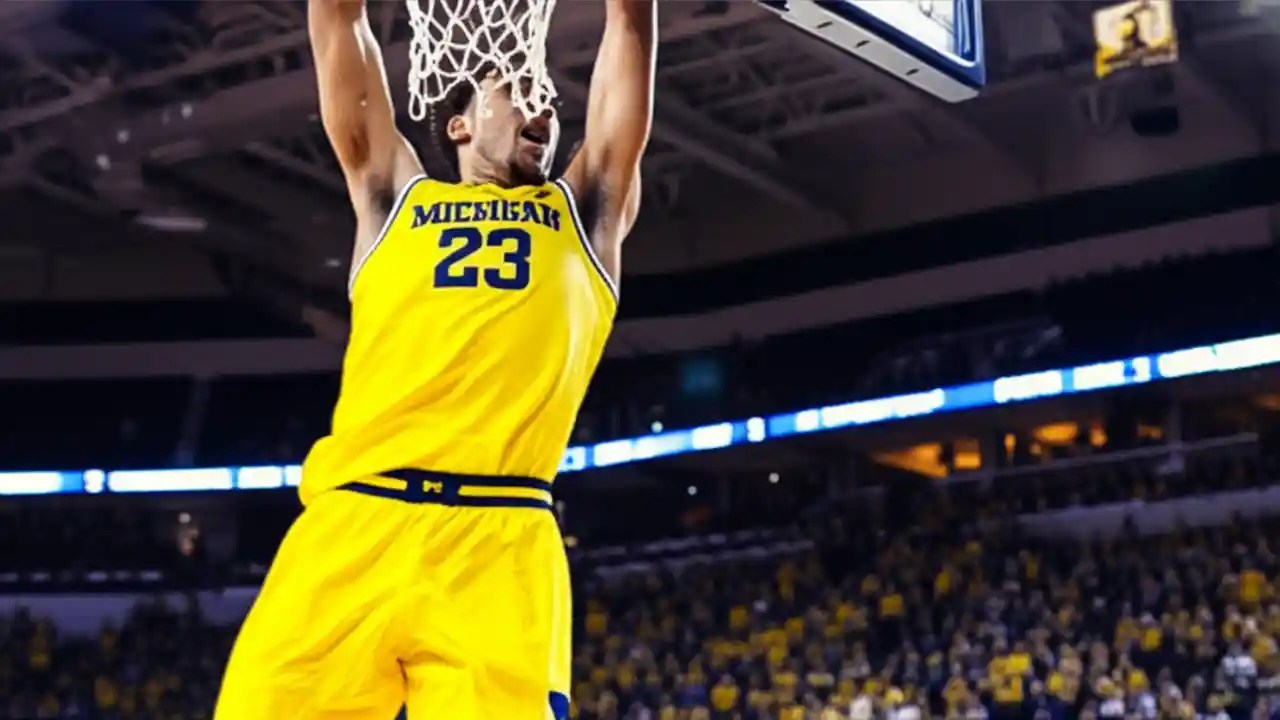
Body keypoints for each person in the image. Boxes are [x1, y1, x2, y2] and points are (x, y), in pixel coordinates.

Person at [212, 0, 656, 716]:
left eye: (548, 100)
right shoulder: (391, 198)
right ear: (459, 123)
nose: (542, 106)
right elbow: (337, 25)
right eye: (521, 91)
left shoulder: (587, 211)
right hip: (354, 524)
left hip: (500, 541)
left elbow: (629, 28)